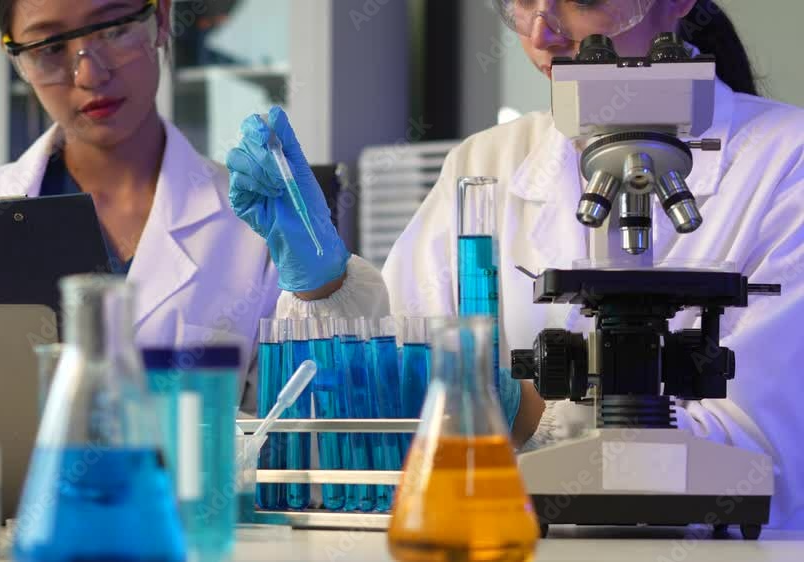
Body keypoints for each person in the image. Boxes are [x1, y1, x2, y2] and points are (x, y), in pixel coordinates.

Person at [227, 0, 804, 528]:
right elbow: (389, 402)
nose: (541, 32)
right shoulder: (486, 163)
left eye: (580, 0)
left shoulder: (786, 159)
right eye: (521, 2)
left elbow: (768, 456)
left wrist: (518, 410)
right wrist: (326, 287)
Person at [0, 0, 354, 411]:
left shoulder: (255, 226)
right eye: (49, 48)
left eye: (114, 29)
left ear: (159, 18)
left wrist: (322, 291)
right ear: (17, 61)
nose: (89, 74)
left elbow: (304, 431)